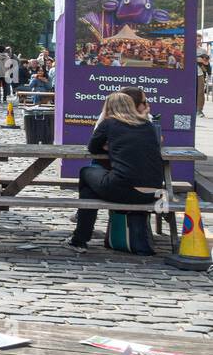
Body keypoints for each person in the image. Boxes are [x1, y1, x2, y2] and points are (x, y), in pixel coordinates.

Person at [67, 91, 164, 253]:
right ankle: (79, 239)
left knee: (86, 173)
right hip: (153, 192)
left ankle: (80, 239)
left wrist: (109, 145)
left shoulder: (110, 123)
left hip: (125, 189)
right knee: (92, 186)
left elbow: (93, 147)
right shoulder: (147, 125)